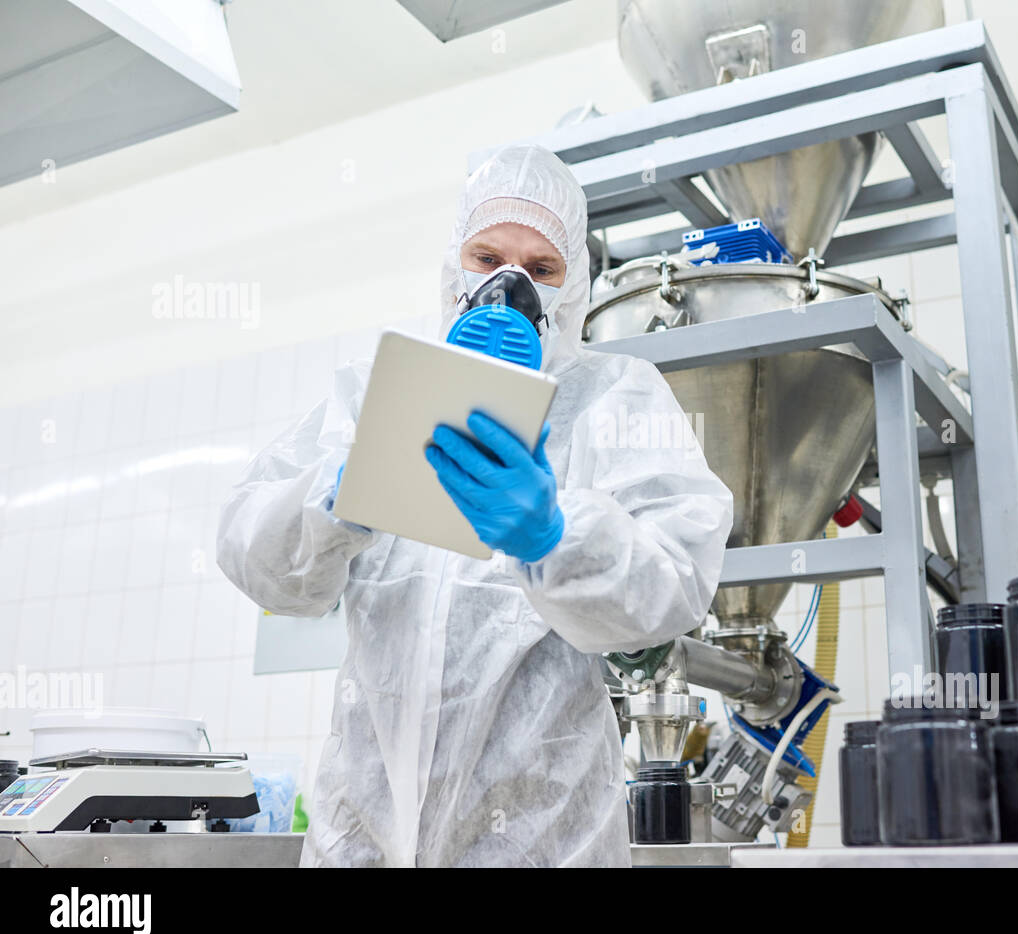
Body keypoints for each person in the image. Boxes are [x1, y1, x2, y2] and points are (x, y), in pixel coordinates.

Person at [217, 144, 733, 867]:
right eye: (487, 259)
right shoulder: (374, 397)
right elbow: (256, 558)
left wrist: (555, 537)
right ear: (454, 270)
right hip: (361, 839)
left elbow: (675, 585)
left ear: (574, 287)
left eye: (542, 268)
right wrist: (336, 495)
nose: (509, 286)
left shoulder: (618, 399)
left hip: (540, 843)